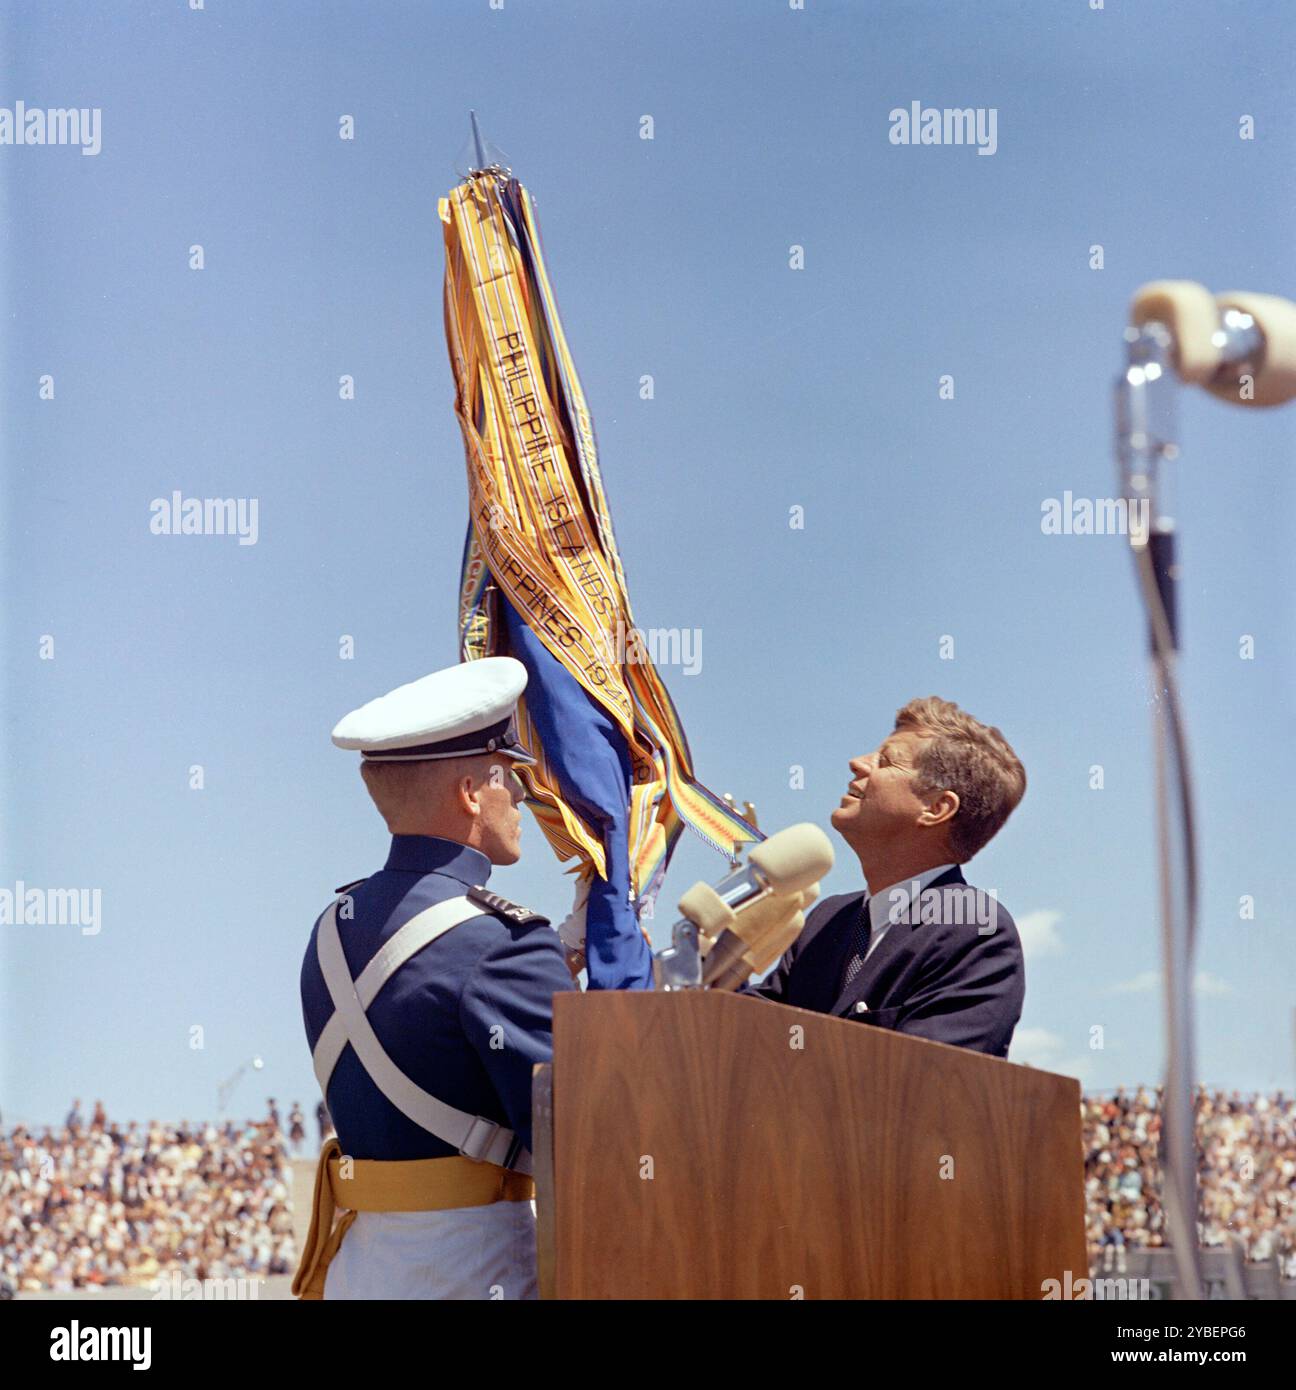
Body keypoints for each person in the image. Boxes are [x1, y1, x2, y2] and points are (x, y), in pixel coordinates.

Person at [293, 656, 573, 1300]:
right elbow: (577, 1142)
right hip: (476, 1270)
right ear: (472, 792)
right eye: (512, 778)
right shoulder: (505, 940)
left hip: (359, 1271)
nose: (525, 797)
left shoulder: (332, 929)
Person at [748, 696, 1026, 1057]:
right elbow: (750, 1031)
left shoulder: (977, 933)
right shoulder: (825, 920)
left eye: (886, 760)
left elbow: (920, 1086)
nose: (857, 763)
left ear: (937, 808)